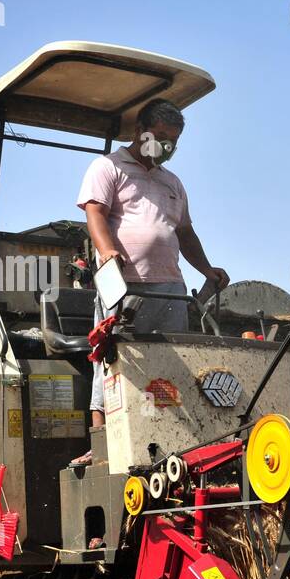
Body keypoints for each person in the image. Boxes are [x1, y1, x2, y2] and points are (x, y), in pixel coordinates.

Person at [70, 97, 229, 465]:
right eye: (160, 137)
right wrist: (108, 251)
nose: (166, 147)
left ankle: (168, 443)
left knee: (169, 366)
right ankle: (104, 446)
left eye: (173, 141)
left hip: (171, 289)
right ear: (139, 130)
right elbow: (95, 213)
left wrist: (207, 269)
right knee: (112, 363)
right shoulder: (108, 167)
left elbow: (184, 233)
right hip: (124, 287)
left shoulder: (173, 182)